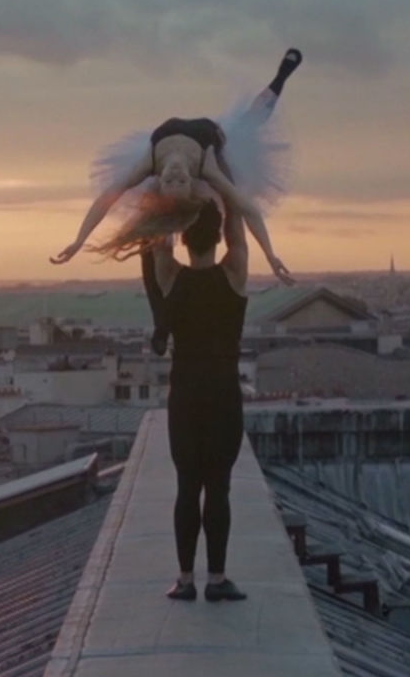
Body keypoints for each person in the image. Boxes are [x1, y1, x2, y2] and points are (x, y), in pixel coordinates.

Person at [50, 49, 303, 352]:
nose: (174, 173)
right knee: (154, 240)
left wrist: (271, 256)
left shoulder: (154, 164)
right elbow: (106, 199)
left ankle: (280, 77)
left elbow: (247, 209)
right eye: (176, 180)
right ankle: (161, 321)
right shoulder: (200, 168)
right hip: (212, 149)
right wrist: (80, 239)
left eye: (173, 179)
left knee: (251, 121)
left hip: (217, 156)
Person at [154, 200, 250, 602]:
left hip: (185, 399)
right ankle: (217, 578)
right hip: (224, 397)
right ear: (219, 235)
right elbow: (240, 235)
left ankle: (184, 579)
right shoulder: (233, 277)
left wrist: (175, 194)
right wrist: (225, 187)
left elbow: (158, 238)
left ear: (185, 237)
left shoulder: (172, 278)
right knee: (219, 488)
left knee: (186, 487)